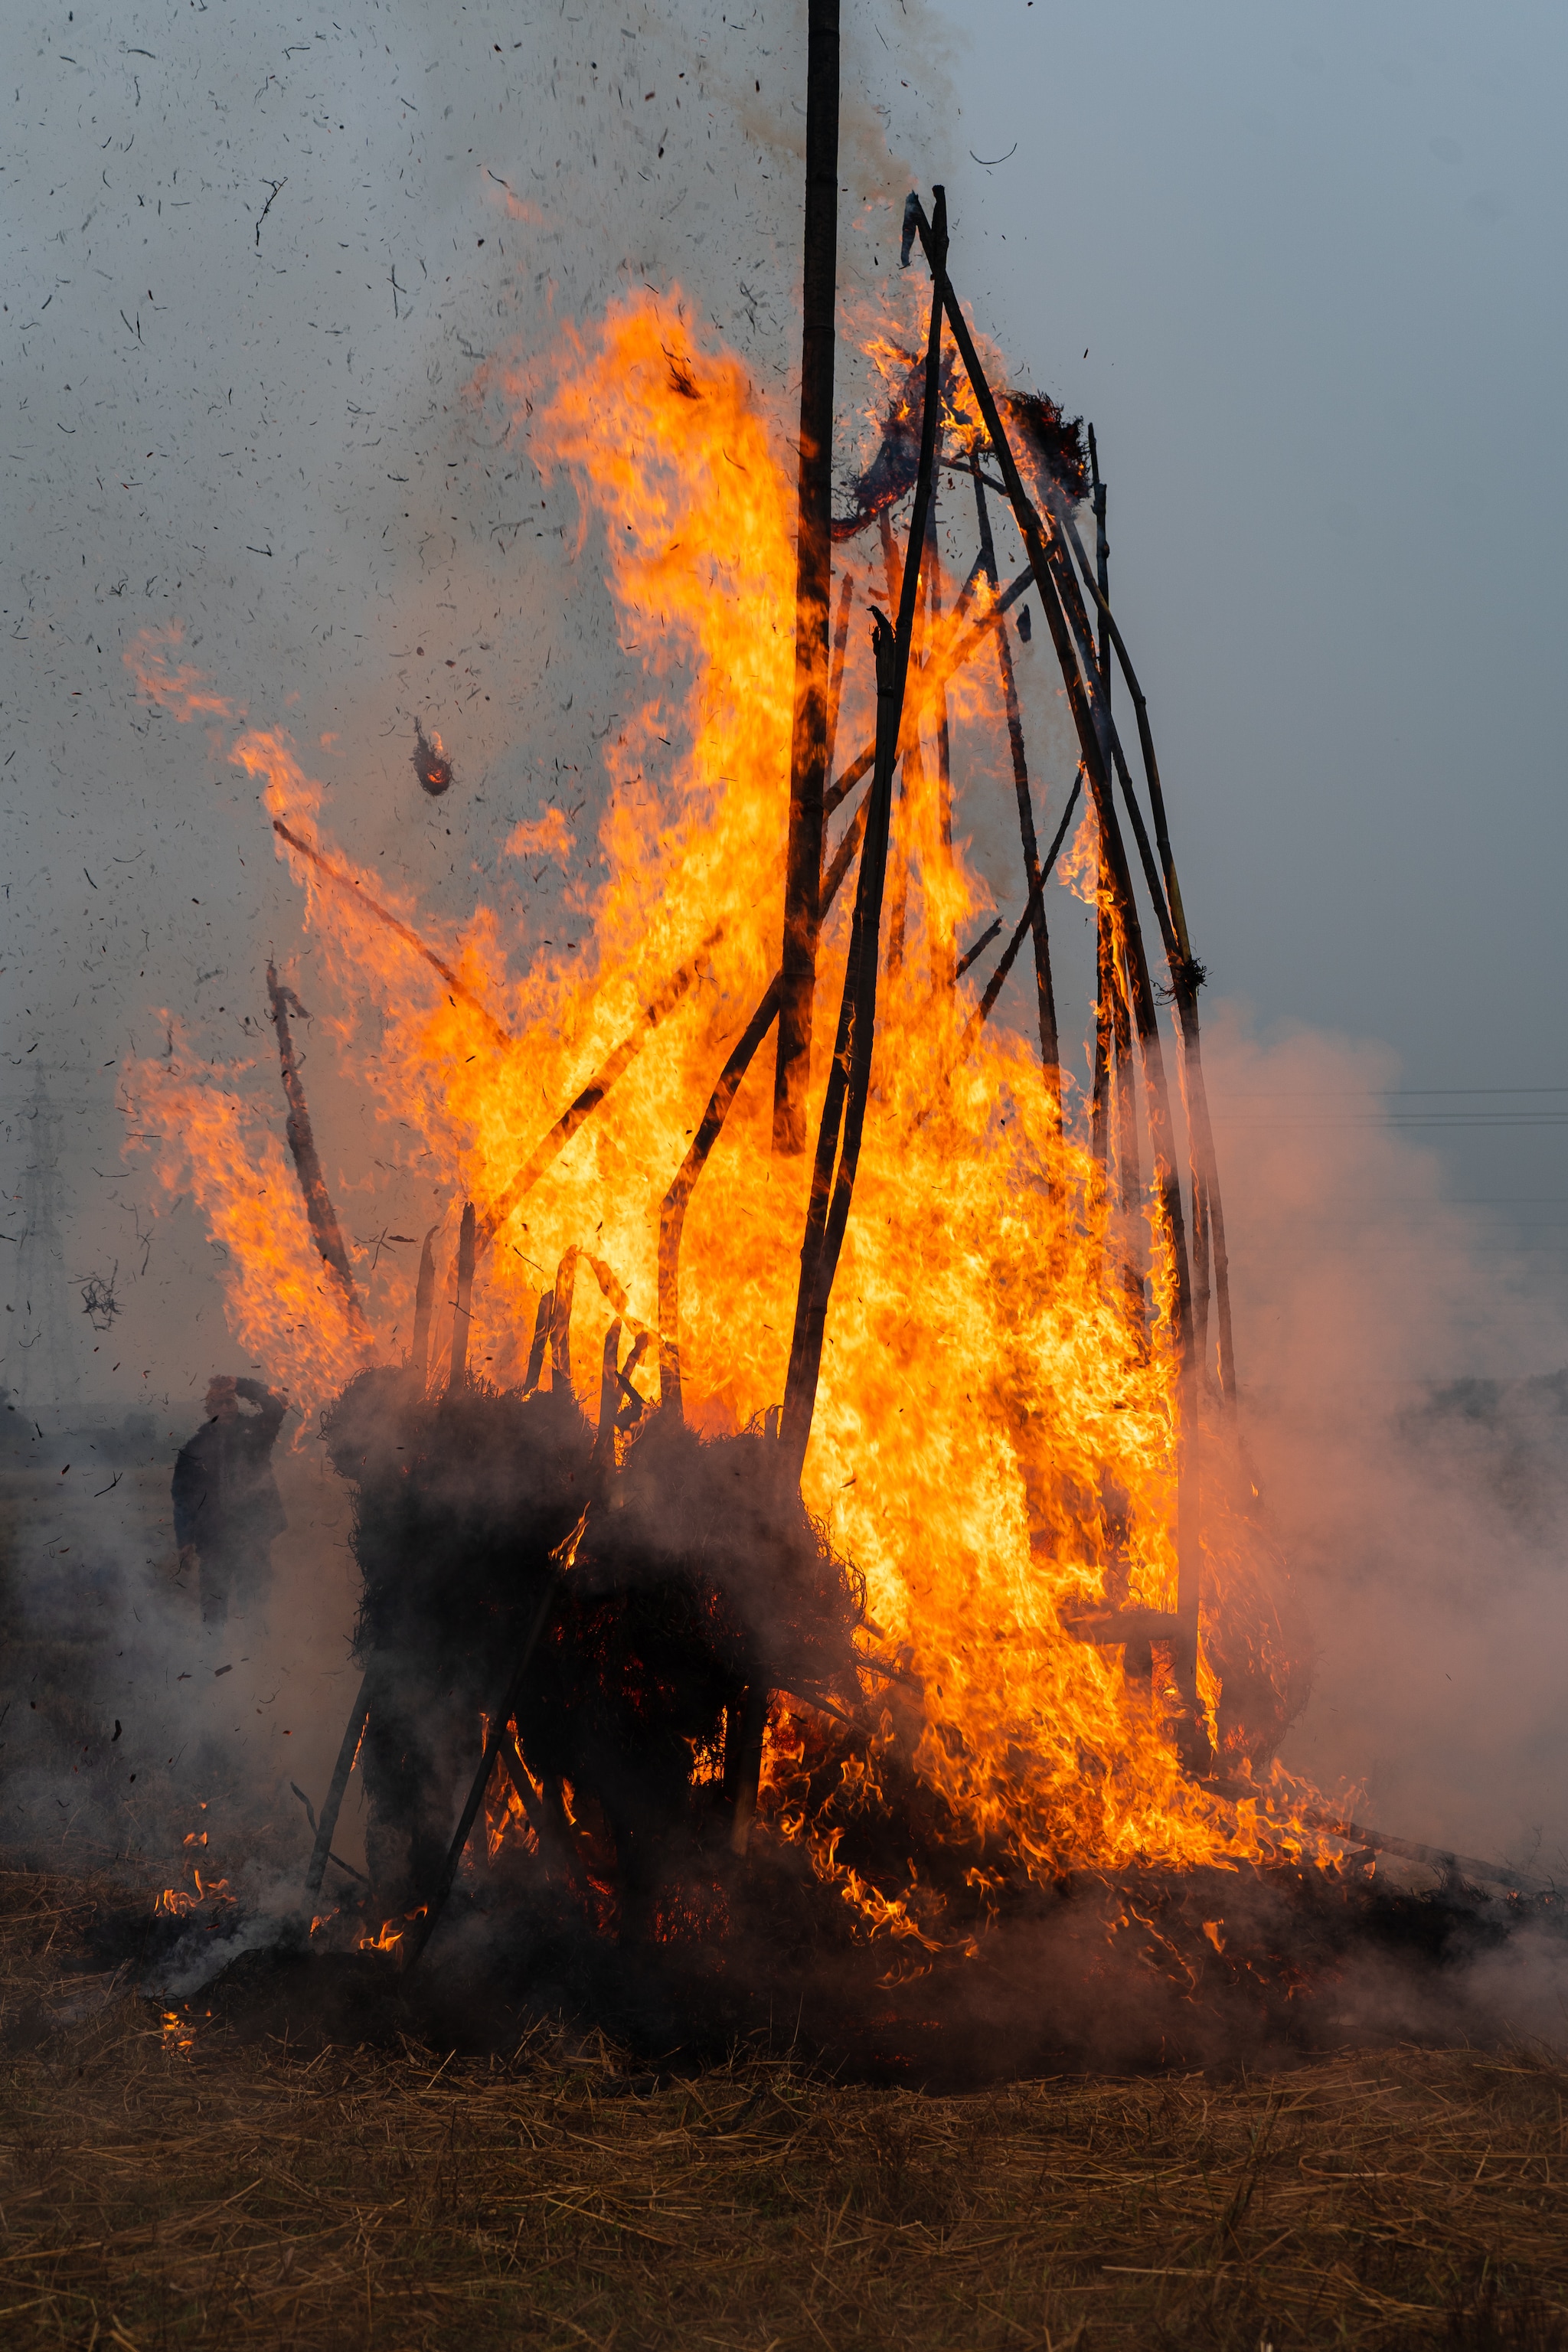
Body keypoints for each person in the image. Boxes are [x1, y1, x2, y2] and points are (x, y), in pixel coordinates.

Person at [172, 1375, 288, 1629]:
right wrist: (185, 1539)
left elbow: (277, 1406)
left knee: (254, 1604)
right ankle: (211, 1657)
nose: (226, 1408)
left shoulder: (255, 1434)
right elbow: (182, 1495)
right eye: (220, 1404)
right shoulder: (195, 1447)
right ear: (209, 1410)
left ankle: (256, 1658)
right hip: (214, 1538)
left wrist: (239, 1384)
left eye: (230, 1402)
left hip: (252, 1534)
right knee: (213, 1606)